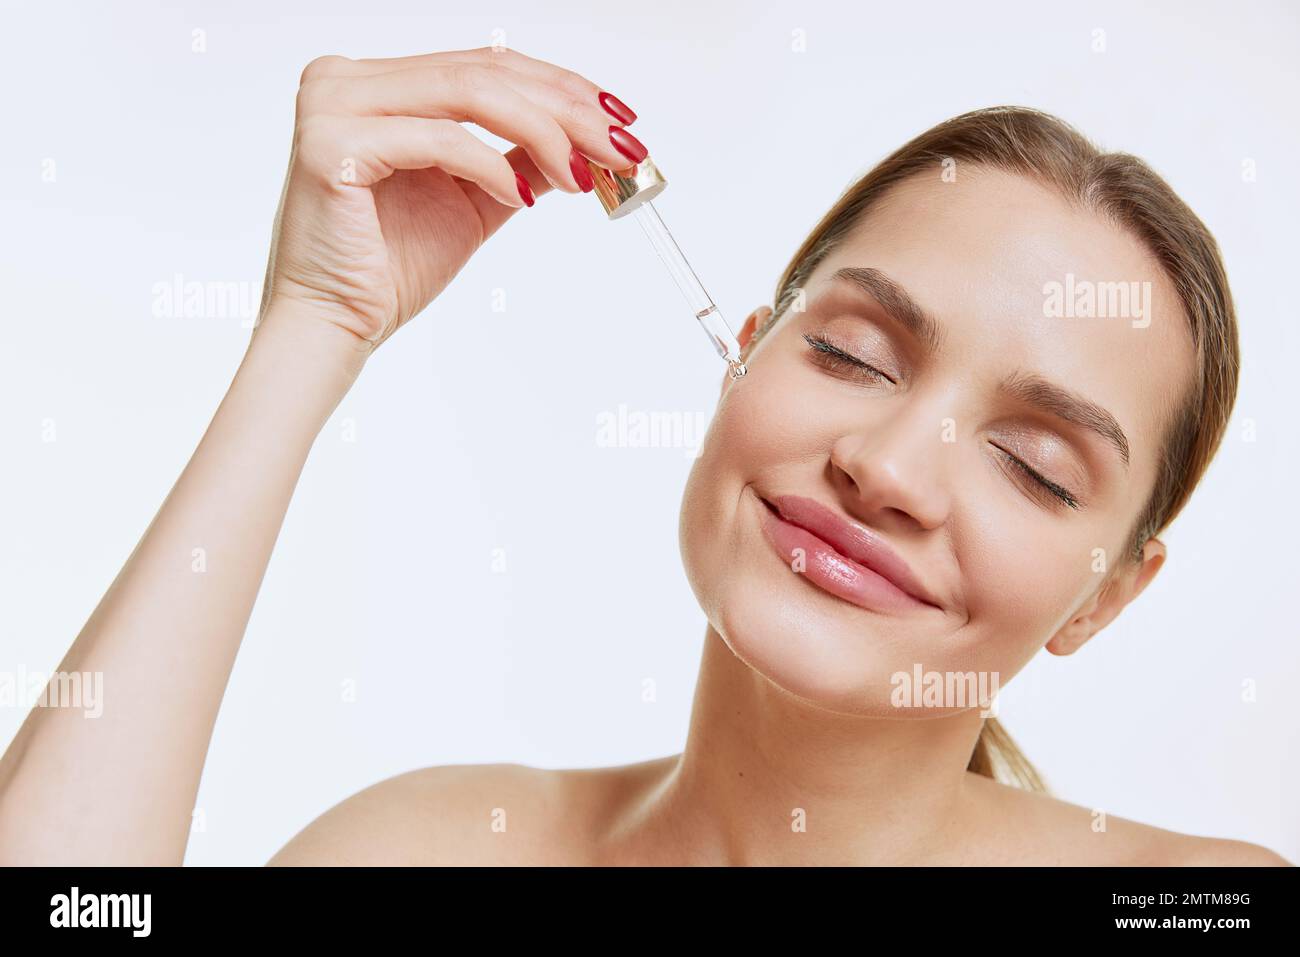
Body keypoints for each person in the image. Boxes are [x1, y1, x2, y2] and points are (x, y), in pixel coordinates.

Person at [0, 46, 1289, 866]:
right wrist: (316, 325)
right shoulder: (426, 852)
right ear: (745, 353)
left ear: (1109, 594)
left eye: (1036, 466)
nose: (888, 468)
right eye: (850, 354)